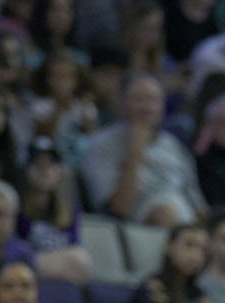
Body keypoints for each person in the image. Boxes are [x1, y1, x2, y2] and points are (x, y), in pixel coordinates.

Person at [80, 73, 204, 226]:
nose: (147, 107)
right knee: (165, 213)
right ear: (121, 103)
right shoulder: (100, 144)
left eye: (153, 100)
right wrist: (134, 152)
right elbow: (118, 209)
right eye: (139, 99)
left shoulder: (172, 144)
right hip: (138, 225)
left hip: (185, 218)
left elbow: (198, 206)